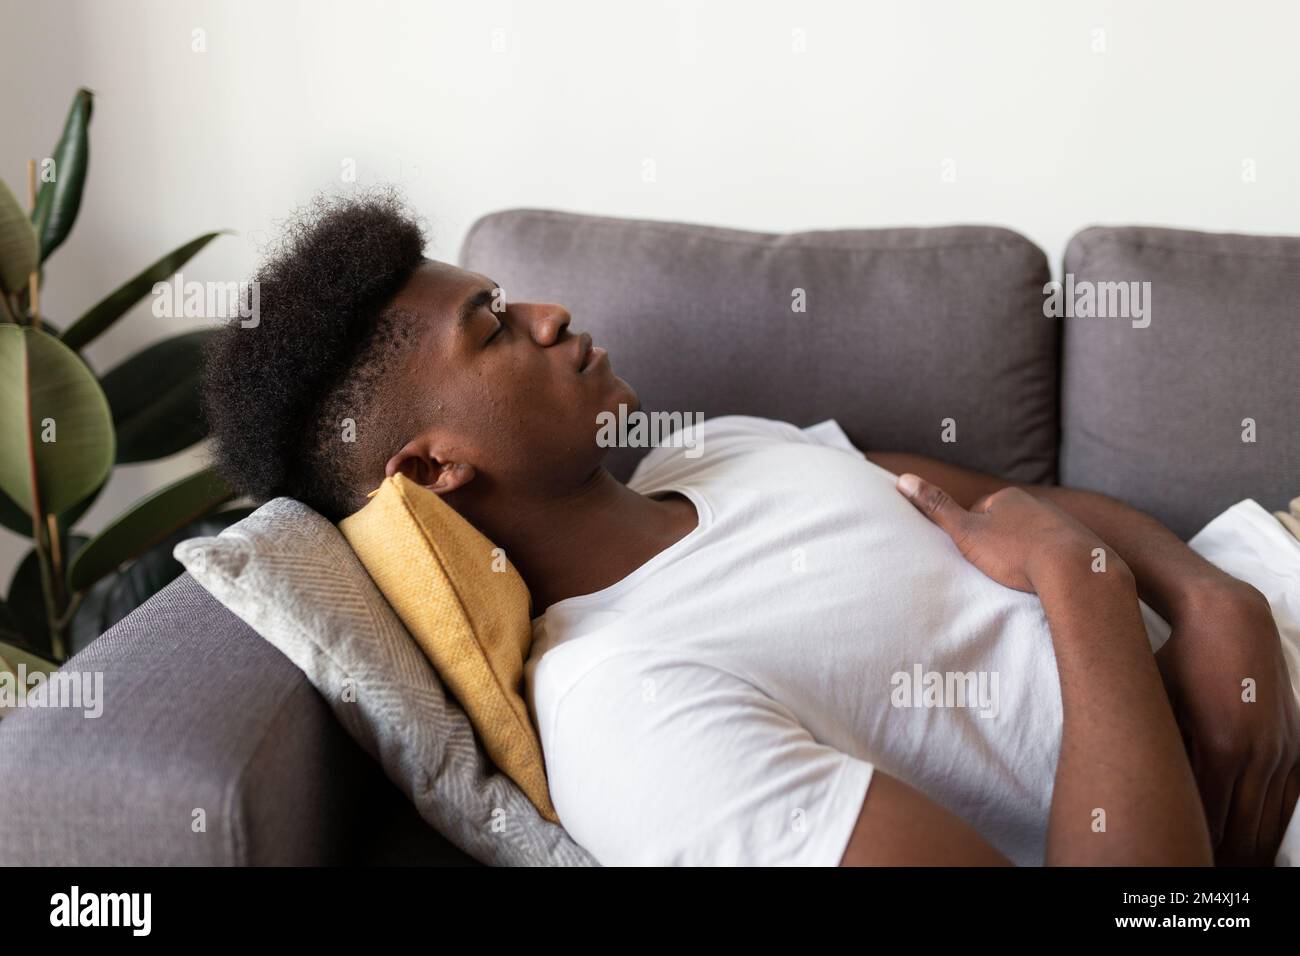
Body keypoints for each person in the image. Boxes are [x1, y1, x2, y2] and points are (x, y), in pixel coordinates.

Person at [203, 193, 1300, 866]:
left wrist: (1211, 595)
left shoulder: (719, 445)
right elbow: (1047, 542)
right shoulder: (626, 707)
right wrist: (1085, 587)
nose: (549, 313)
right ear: (435, 466)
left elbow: (1019, 503)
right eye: (493, 328)